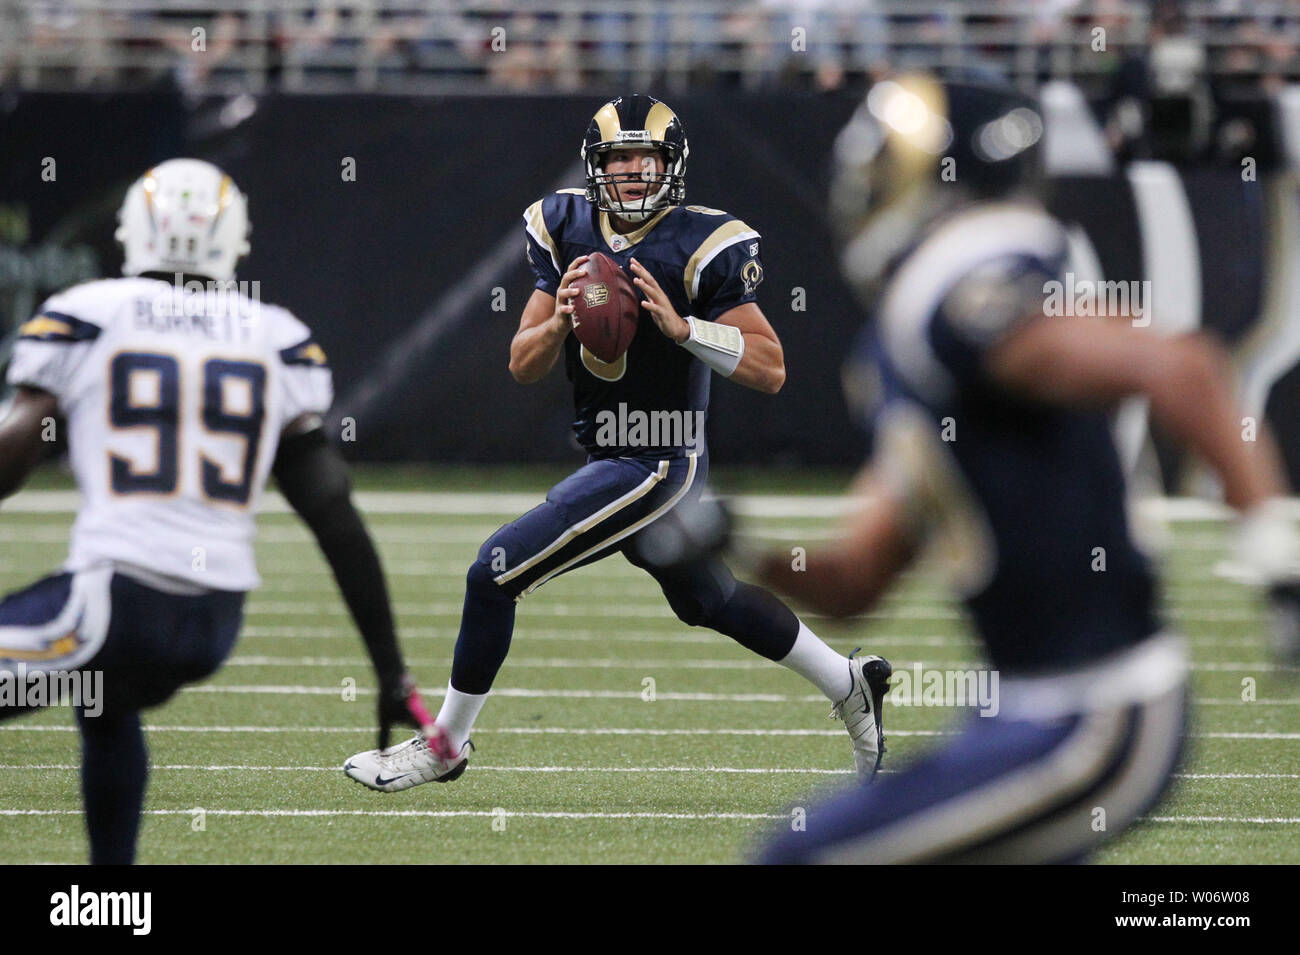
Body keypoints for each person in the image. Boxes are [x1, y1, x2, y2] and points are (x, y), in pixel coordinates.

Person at [742, 73, 1300, 863]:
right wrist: (728, 547)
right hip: (1020, 714)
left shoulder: (962, 293)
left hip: (1095, 713)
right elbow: (854, 580)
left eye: (884, 166)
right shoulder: (922, 337)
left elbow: (1184, 368)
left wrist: (1278, 547)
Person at [343, 94, 892, 792]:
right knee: (709, 599)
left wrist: (683, 328)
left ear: (673, 165)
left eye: (647, 157)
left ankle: (446, 744)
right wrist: (561, 321)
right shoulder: (563, 224)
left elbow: (771, 366)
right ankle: (849, 682)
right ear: (596, 165)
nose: (632, 171)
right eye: (618, 158)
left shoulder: (704, 241)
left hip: (662, 456)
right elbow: (522, 361)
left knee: (494, 570)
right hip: (609, 451)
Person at [0, 159, 430, 864]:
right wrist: (390, 672)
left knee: (102, 672)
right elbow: (334, 517)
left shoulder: (88, 313)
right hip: (213, 619)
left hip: (118, 601)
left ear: (134, 230)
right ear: (234, 239)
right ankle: (112, 900)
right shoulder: (274, 334)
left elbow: (13, 458)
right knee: (106, 703)